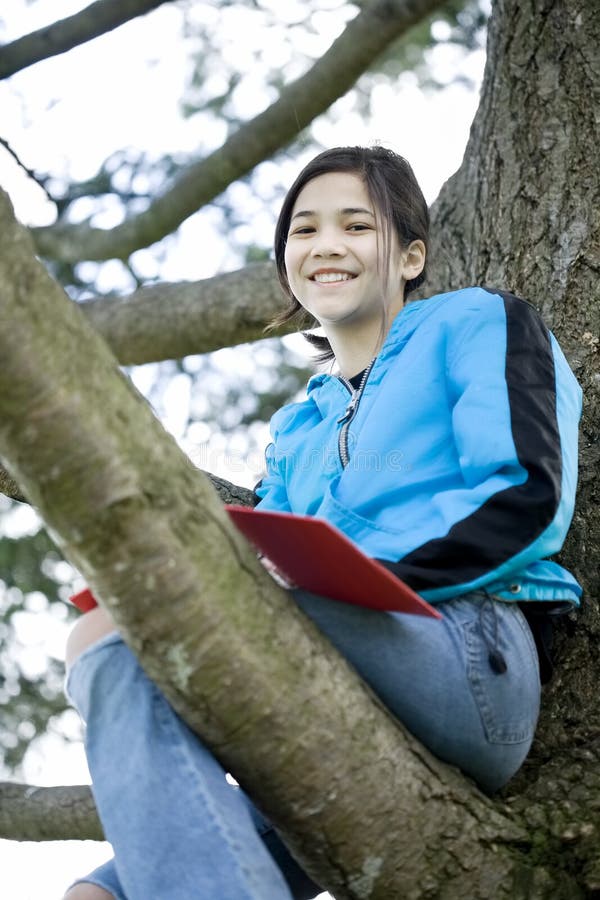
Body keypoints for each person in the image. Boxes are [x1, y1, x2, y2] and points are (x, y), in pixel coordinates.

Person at [63, 146, 582, 900]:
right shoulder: (295, 428)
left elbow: (526, 493)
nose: (325, 245)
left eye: (355, 226)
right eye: (303, 231)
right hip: (343, 712)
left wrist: (357, 579)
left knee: (120, 627)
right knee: (96, 895)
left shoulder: (474, 322)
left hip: (466, 653)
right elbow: (264, 561)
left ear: (409, 256)